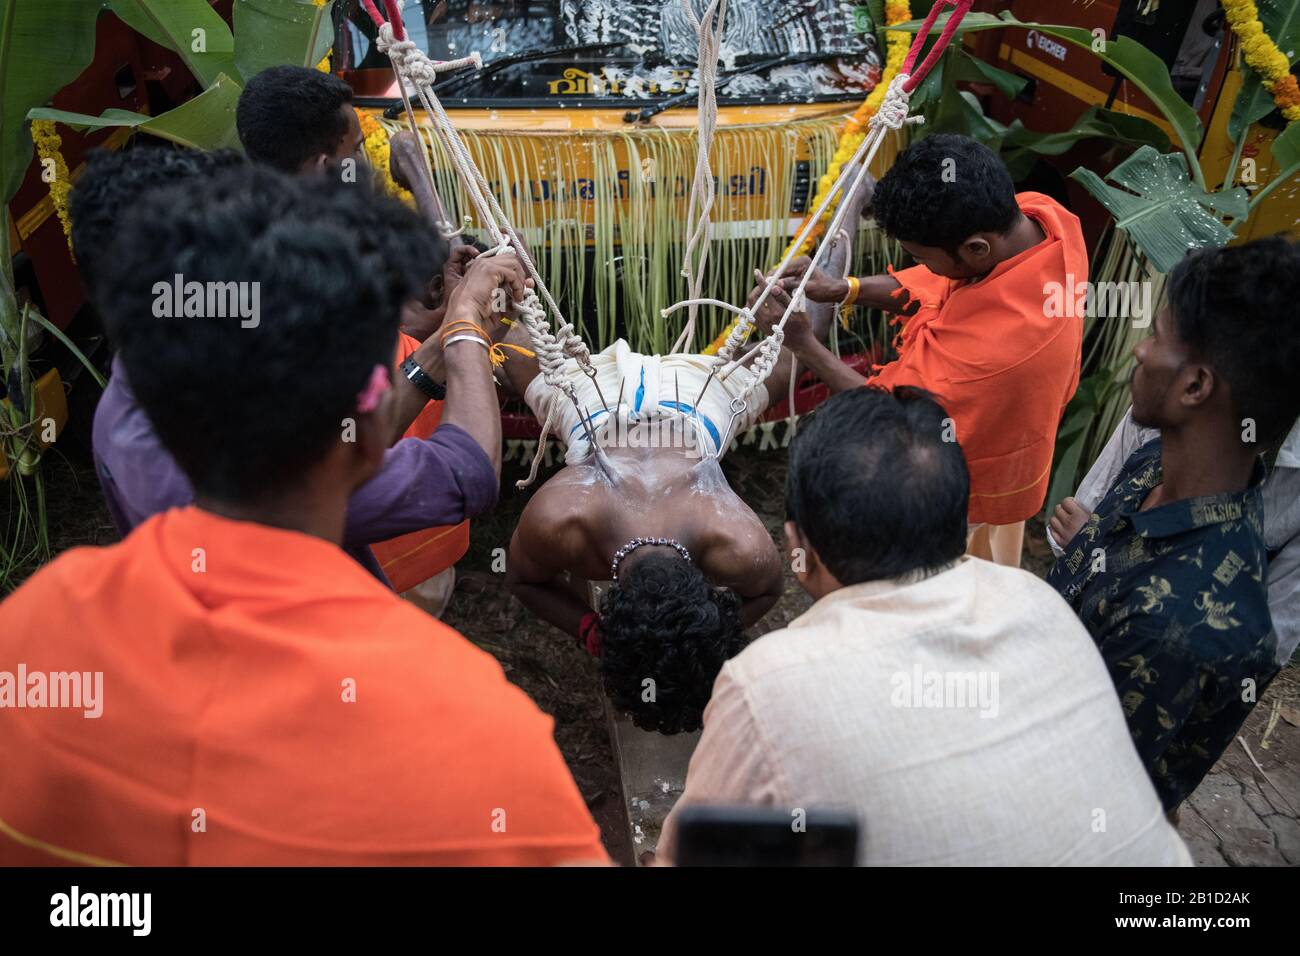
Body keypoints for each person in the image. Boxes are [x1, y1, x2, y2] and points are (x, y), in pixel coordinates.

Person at [0, 166, 606, 866]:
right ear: (374, 416)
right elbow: (465, 472)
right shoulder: (480, 740)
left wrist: (435, 347)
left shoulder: (31, 636)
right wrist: (465, 330)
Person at [657, 386, 1189, 866]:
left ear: (798, 549)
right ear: (956, 521)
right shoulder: (1039, 602)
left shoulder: (764, 685)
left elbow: (684, 858)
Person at [72, 145, 501, 592]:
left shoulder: (135, 393)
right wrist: (467, 325)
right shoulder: (260, 478)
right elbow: (464, 472)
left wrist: (442, 338)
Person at [1046, 237, 1300, 812]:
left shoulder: (1177, 627)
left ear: (1194, 386)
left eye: (1157, 337)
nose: (1139, 352)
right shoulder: (1154, 463)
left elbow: (1066, 795)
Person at [762, 134, 1087, 567]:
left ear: (975, 249)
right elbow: (936, 285)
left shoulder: (986, 358)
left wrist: (803, 343)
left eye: (923, 256)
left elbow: (884, 409)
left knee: (949, 582)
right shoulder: (1044, 220)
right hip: (1006, 431)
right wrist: (843, 289)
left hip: (966, 486)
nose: (924, 267)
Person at [1049, 409, 1299, 668]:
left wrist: (1095, 544)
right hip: (1064, 635)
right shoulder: (1158, 396)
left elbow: (1264, 645)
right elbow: (1071, 530)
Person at [235, 65, 365, 174]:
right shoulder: (356, 195)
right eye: (357, 148)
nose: (364, 163)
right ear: (324, 168)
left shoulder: (230, 201)